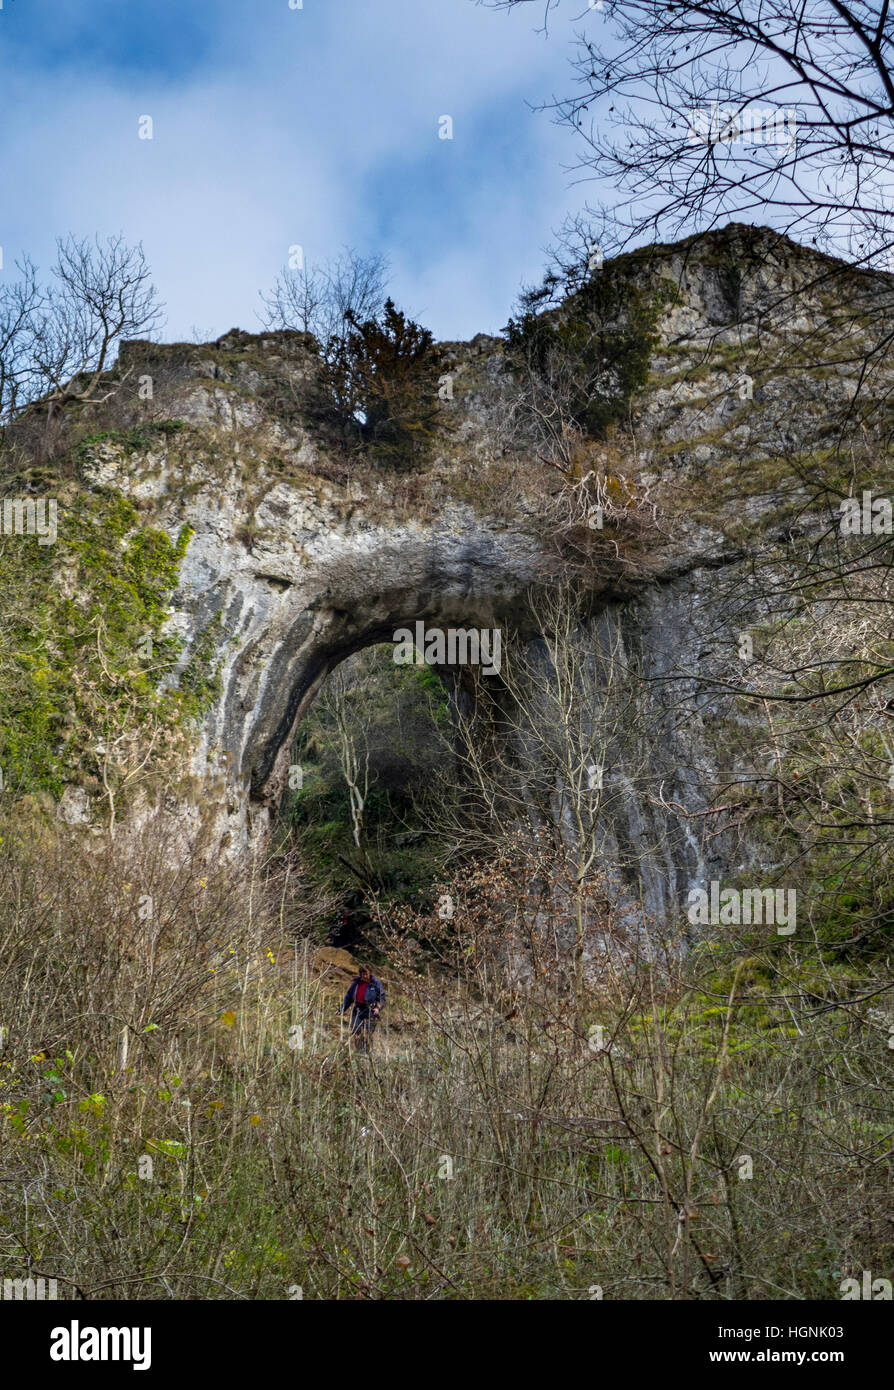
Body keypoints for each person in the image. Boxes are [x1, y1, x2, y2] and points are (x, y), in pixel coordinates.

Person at [338, 964, 385, 1054]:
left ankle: (368, 1053)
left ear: (370, 973)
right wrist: (341, 1009)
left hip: (370, 1010)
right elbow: (348, 997)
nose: (364, 976)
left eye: (366, 974)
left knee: (367, 1033)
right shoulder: (356, 983)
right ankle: (359, 1052)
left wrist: (378, 1008)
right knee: (356, 1031)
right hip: (358, 1009)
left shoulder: (376, 983)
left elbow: (382, 997)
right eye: (362, 974)